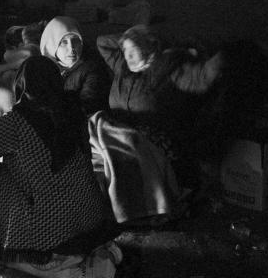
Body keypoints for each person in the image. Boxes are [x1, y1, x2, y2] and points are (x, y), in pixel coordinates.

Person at [0, 53, 117, 269]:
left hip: (48, 231)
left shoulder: (19, 120)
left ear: (22, 84)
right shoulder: (75, 111)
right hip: (87, 220)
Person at [90, 25, 224, 227]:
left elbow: (202, 78)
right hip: (120, 133)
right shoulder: (122, 66)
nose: (128, 55)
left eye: (133, 50)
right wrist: (129, 37)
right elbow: (102, 42)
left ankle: (136, 210)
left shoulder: (168, 68)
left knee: (119, 165)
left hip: (155, 139)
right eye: (125, 50)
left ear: (147, 47)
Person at [0, 17, 110, 148]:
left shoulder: (90, 70)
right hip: (35, 113)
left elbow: (86, 105)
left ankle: (0, 156)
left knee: (3, 99)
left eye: (76, 41)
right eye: (63, 42)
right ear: (52, 44)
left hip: (56, 123)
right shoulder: (44, 64)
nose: (71, 49)